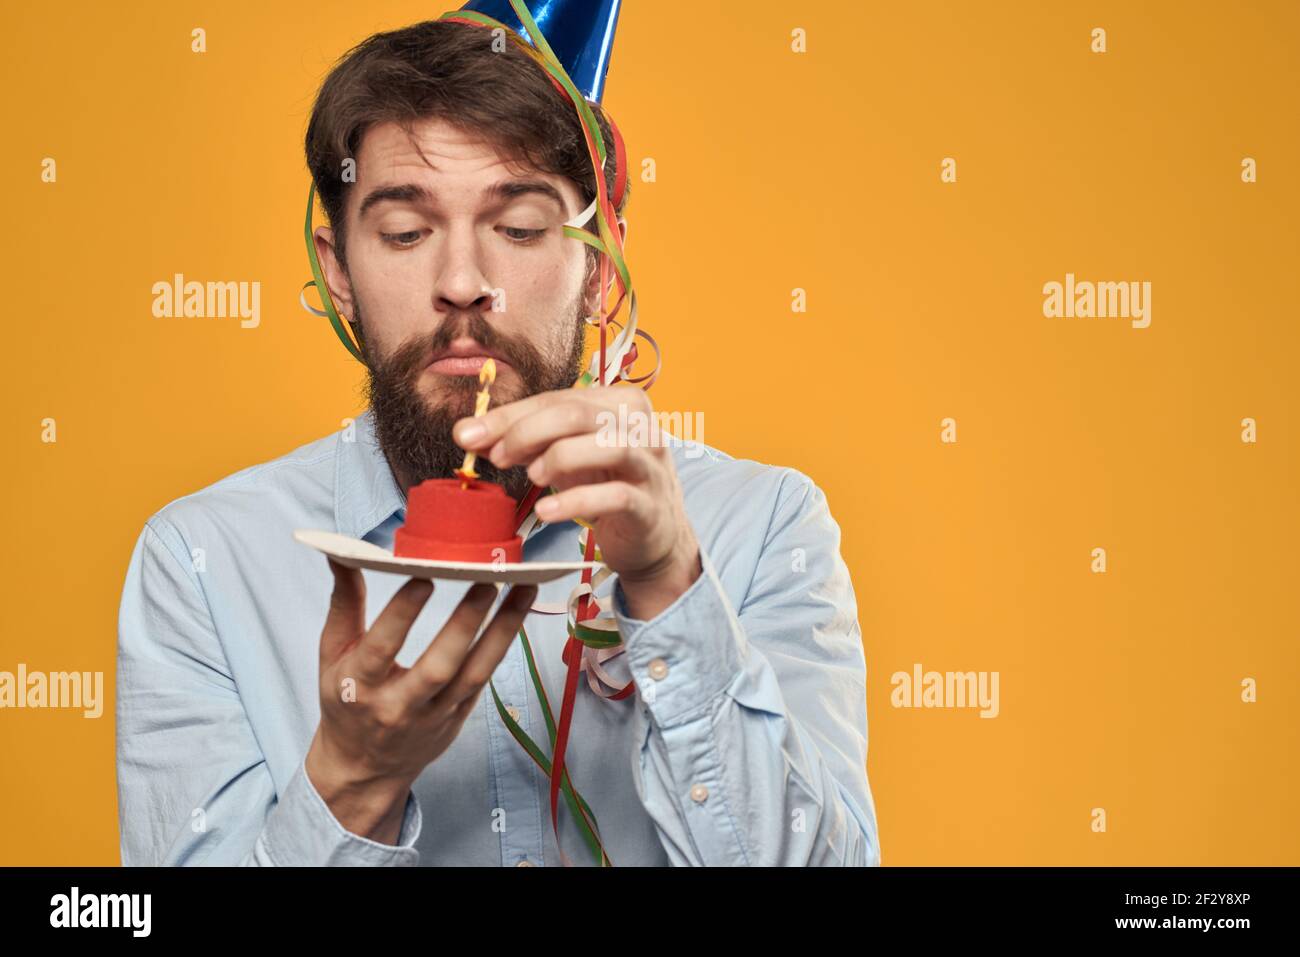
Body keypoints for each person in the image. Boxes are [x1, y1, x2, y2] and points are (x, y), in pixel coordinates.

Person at [115, 14, 881, 867]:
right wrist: (352, 784)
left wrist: (670, 588)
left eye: (517, 227)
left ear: (598, 266)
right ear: (338, 274)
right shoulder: (201, 562)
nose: (463, 283)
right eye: (406, 233)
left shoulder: (764, 525)